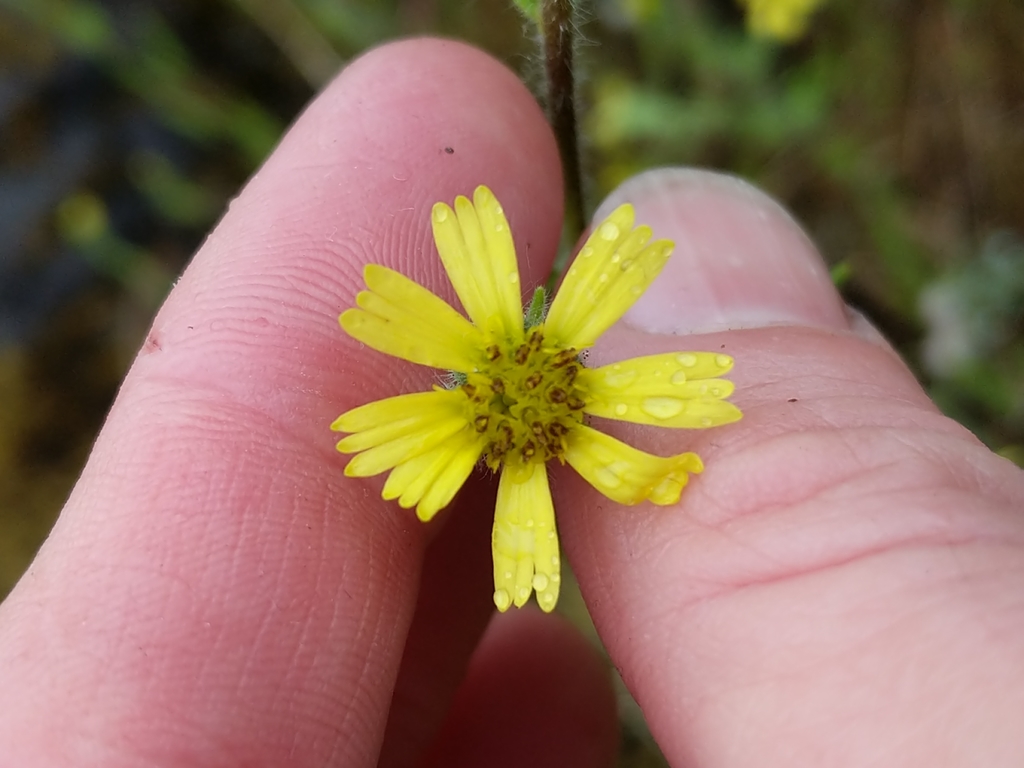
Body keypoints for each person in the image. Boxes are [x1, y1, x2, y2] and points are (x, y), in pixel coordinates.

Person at [1, 38, 1022, 768]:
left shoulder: (566, 356)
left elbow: (662, 384)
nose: (527, 390)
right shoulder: (494, 413)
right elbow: (417, 455)